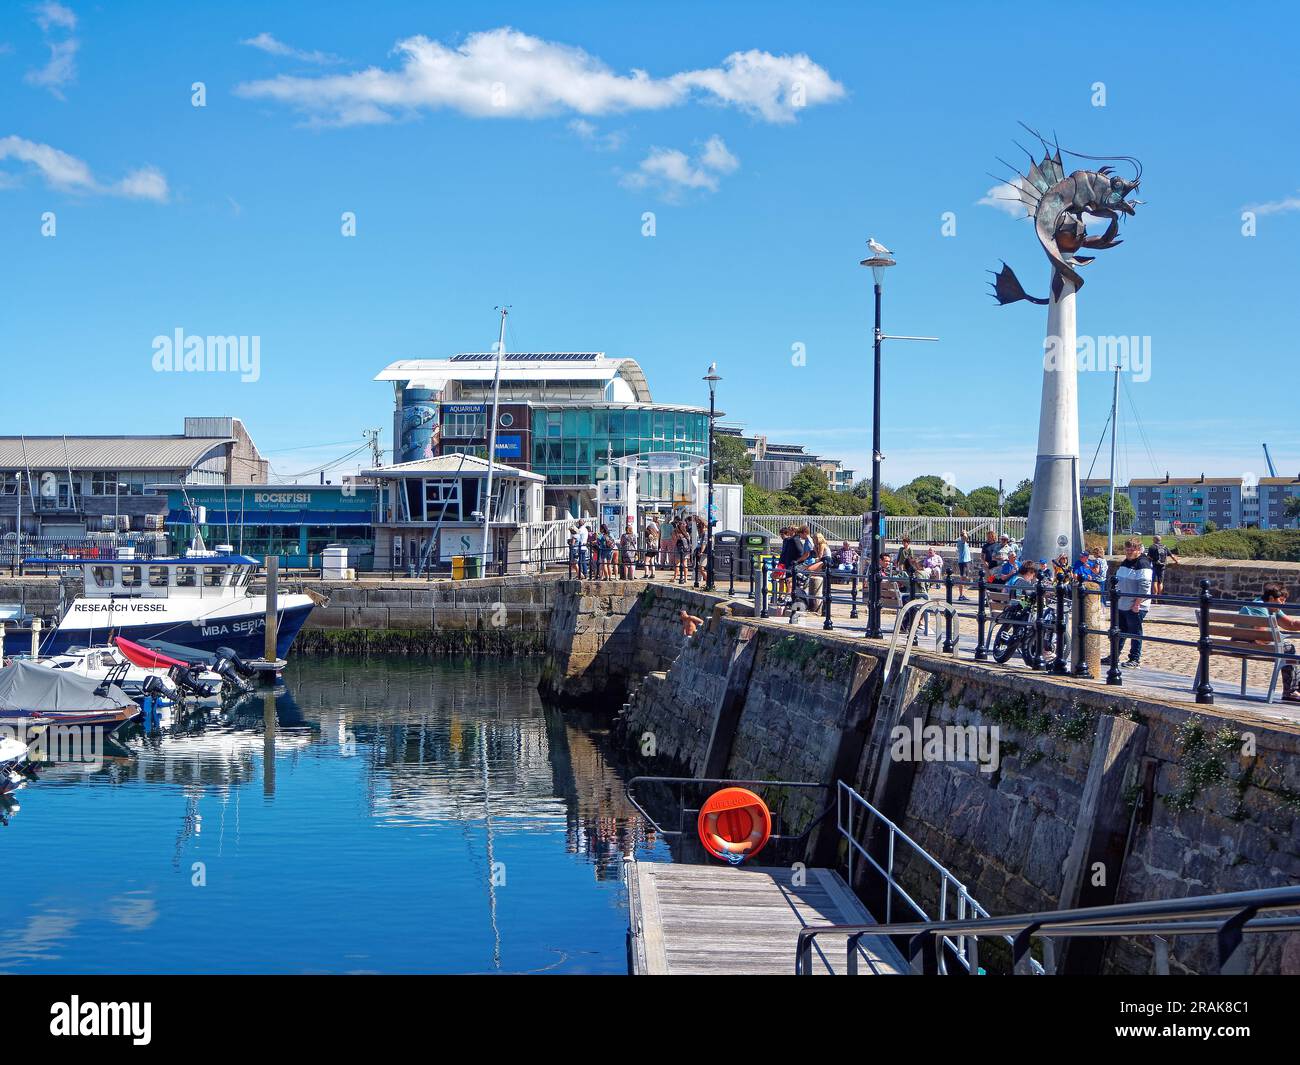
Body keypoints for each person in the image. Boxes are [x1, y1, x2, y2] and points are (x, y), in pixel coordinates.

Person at [1239, 582, 1300, 703]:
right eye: (1281, 600)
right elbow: (1262, 638)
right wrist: (1280, 638)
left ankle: (1293, 690)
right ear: (1272, 598)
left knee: (1286, 647)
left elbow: (1290, 624)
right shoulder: (1259, 607)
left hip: (1241, 644)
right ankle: (1291, 691)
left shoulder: (1268, 606)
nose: (1283, 603)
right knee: (1288, 648)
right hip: (1249, 645)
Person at [1105, 537, 1153, 669]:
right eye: (1127, 549)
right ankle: (1114, 655)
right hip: (1122, 604)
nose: (1129, 552)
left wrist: (1137, 603)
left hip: (1136, 605)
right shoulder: (1126, 562)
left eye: (1132, 549)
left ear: (1138, 549)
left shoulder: (1143, 563)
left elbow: (1144, 586)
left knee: (1135, 632)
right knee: (1119, 631)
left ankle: (1134, 659)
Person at [673, 518, 691, 584]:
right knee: (685, 564)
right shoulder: (687, 533)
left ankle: (675, 578)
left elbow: (674, 541)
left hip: (678, 549)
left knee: (677, 564)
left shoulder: (676, 533)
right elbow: (689, 541)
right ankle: (685, 578)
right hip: (686, 550)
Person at [956, 532, 972, 600]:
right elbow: (965, 537)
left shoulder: (963, 541)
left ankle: (962, 594)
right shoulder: (961, 541)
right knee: (963, 578)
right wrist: (964, 532)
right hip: (964, 562)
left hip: (966, 561)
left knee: (965, 578)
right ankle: (961, 595)